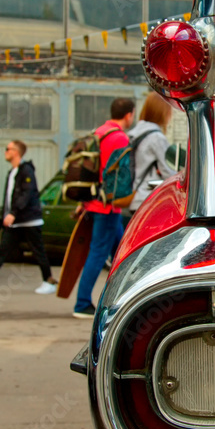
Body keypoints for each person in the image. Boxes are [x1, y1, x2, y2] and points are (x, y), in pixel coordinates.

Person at [0, 140, 57, 294]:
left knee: (38, 250)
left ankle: (49, 281)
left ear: (16, 152)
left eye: (8, 149)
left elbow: (26, 194)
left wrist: (13, 213)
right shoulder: (12, 172)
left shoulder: (26, 170)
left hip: (28, 220)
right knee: (3, 250)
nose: (5, 151)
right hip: (17, 221)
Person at [73, 97, 135, 319]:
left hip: (93, 202)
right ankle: (81, 304)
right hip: (107, 207)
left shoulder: (98, 132)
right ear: (129, 114)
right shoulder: (119, 137)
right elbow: (121, 175)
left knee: (123, 255)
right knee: (98, 254)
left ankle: (124, 298)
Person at [126, 91, 176, 217]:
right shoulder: (156, 138)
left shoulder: (133, 134)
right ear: (162, 111)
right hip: (148, 200)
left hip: (133, 199)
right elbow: (169, 173)